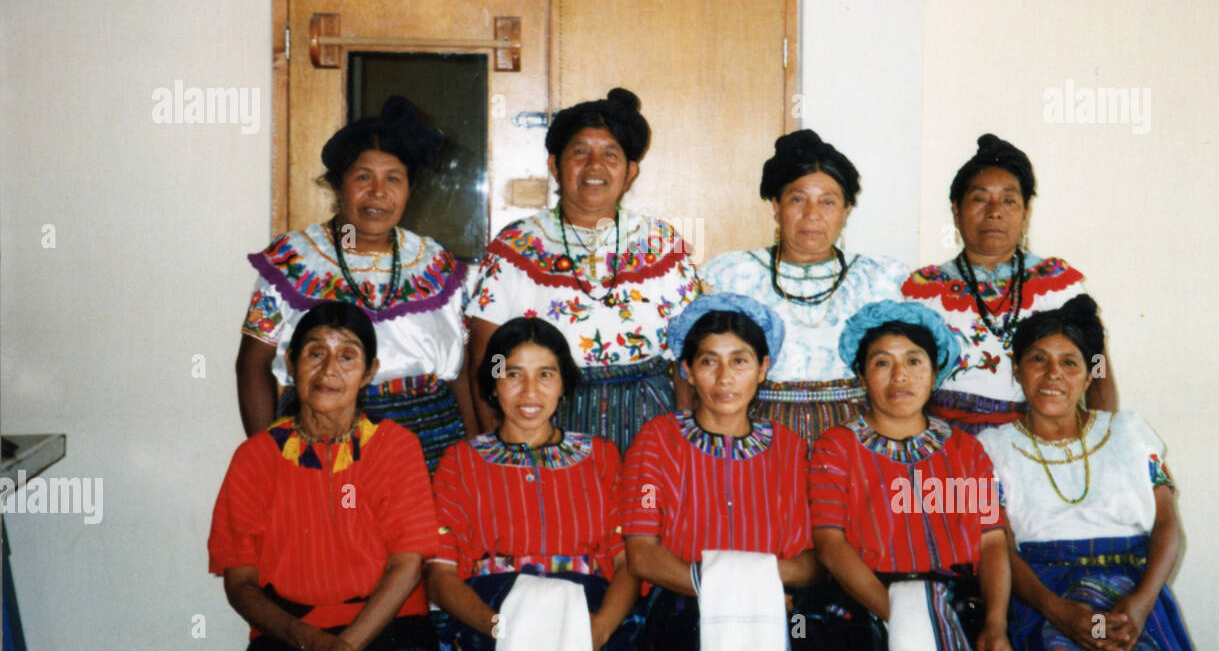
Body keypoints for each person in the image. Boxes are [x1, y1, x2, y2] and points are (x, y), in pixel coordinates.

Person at [236, 96, 476, 473]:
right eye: (363, 177)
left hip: (430, 446)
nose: (378, 193)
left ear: (410, 188)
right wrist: (266, 462)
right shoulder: (291, 261)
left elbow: (463, 372)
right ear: (336, 186)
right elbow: (253, 365)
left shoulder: (436, 265)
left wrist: (476, 457)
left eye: (393, 179)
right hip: (320, 439)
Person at [209, 302, 441, 651]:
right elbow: (240, 584)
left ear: (369, 373)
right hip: (290, 633)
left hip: (390, 627)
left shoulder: (397, 447)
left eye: (347, 356)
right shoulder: (254, 458)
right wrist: (314, 645)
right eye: (315, 353)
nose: (329, 370)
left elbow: (408, 565)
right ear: (289, 362)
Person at [467, 88, 701, 454]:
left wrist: (686, 442)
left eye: (610, 154)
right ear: (554, 165)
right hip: (547, 419)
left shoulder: (662, 244)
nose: (594, 166)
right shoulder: (516, 246)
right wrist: (497, 438)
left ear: (631, 172)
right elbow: (487, 357)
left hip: (649, 421)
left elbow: (688, 357)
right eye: (580, 152)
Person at [978, 295, 1196, 651]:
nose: (1053, 374)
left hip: (1132, 591)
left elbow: (1167, 526)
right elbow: (997, 546)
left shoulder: (1128, 431)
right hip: (1045, 595)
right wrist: (1057, 610)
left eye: (1069, 363)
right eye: (1037, 359)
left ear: (1089, 372)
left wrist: (1141, 605)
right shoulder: (990, 448)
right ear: (1016, 368)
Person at [809, 300, 1017, 651]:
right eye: (882, 363)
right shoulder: (836, 447)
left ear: (935, 373)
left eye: (914, 361)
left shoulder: (966, 450)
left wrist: (996, 624)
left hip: (958, 603)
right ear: (861, 375)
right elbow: (830, 543)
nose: (899, 376)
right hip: (866, 605)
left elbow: (991, 540)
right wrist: (905, 615)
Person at [427, 316, 639, 651]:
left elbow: (627, 564)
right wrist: (501, 628)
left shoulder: (602, 457)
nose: (529, 392)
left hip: (589, 613)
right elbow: (441, 575)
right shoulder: (461, 461)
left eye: (545, 374)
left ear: (563, 384)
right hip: (491, 615)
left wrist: (599, 629)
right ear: (493, 384)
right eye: (512, 374)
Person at [620, 293, 817, 651]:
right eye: (709, 362)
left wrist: (754, 589)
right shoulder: (657, 441)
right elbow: (642, 554)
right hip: (683, 604)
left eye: (740, 361)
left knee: (812, 639)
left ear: (763, 368)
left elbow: (810, 562)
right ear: (688, 371)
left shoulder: (789, 448)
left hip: (778, 608)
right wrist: (737, 588)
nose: (725, 378)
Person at [701, 130, 908, 446]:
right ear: (775, 205)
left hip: (856, 438)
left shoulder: (875, 279)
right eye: (798, 199)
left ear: (846, 210)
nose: (812, 215)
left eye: (828, 202)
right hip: (759, 434)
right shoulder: (738, 276)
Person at [901, 133, 1117, 436]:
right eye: (979, 199)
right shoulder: (924, 291)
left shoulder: (1057, 286)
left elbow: (1098, 364)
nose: (994, 211)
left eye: (1008, 200)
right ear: (956, 210)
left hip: (1036, 440)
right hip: (946, 444)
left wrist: (1102, 435)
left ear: (1026, 212)